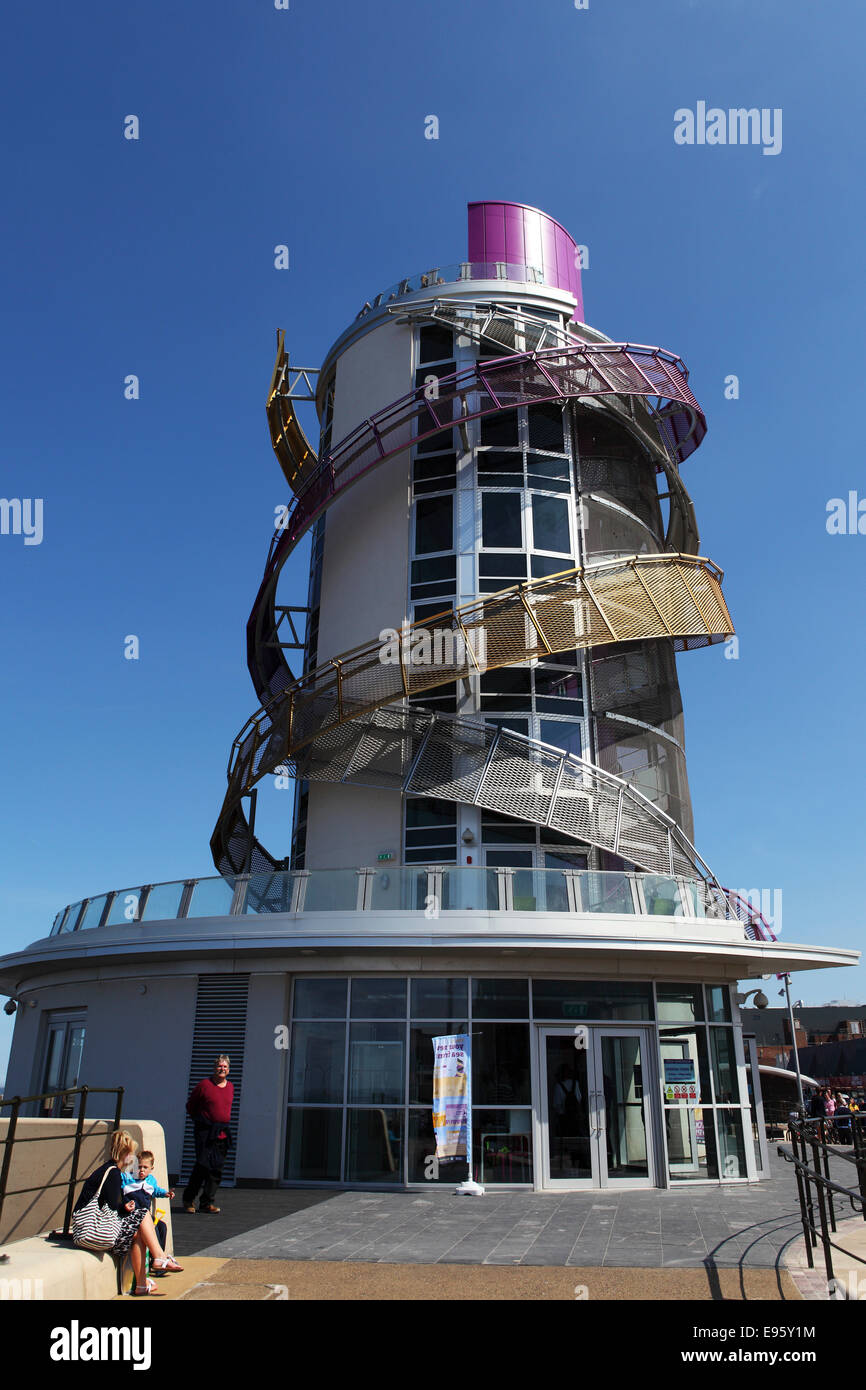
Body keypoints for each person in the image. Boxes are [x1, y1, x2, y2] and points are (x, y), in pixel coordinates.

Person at [72, 1129, 183, 1296]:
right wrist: (126, 1207)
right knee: (142, 1214)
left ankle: (141, 1285)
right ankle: (159, 1256)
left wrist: (125, 1207)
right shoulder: (114, 1174)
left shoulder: (107, 1169)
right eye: (131, 1155)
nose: (133, 1161)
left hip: (95, 1227)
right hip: (97, 1231)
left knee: (138, 1232)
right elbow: (112, 1207)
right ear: (125, 1154)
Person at [182, 1053, 234, 1214]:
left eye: (225, 1066)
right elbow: (191, 1105)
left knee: (216, 1168)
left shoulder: (230, 1086)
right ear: (214, 1067)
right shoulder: (204, 1085)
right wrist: (201, 1122)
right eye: (219, 1066)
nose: (222, 1069)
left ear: (229, 1069)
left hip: (222, 1132)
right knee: (202, 1165)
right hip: (205, 1132)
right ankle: (188, 1199)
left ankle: (207, 1202)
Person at [122, 1149, 175, 1251]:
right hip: (132, 1215)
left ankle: (160, 1254)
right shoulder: (127, 1178)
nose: (141, 1170)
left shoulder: (151, 1181)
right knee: (153, 1229)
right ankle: (156, 1257)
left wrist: (165, 1193)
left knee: (162, 1226)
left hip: (146, 1215)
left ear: (151, 1168)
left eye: (145, 1167)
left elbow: (156, 1191)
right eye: (139, 1167)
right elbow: (118, 1180)